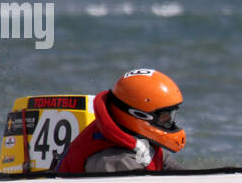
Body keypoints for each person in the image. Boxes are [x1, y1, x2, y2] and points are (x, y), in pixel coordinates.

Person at [56, 69, 186, 173]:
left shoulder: (142, 142)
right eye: (164, 116)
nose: (169, 121)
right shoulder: (115, 160)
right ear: (139, 116)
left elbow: (178, 173)